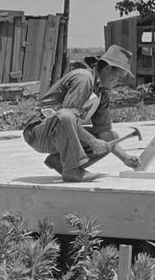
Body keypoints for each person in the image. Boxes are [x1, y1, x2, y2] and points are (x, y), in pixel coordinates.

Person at [23, 45, 140, 182]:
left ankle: (60, 162)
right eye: (119, 77)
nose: (119, 82)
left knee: (110, 139)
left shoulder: (102, 94)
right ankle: (72, 170)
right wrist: (92, 141)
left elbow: (105, 133)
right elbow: (66, 118)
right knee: (66, 116)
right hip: (39, 133)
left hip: (58, 132)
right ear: (108, 69)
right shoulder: (83, 79)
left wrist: (125, 158)